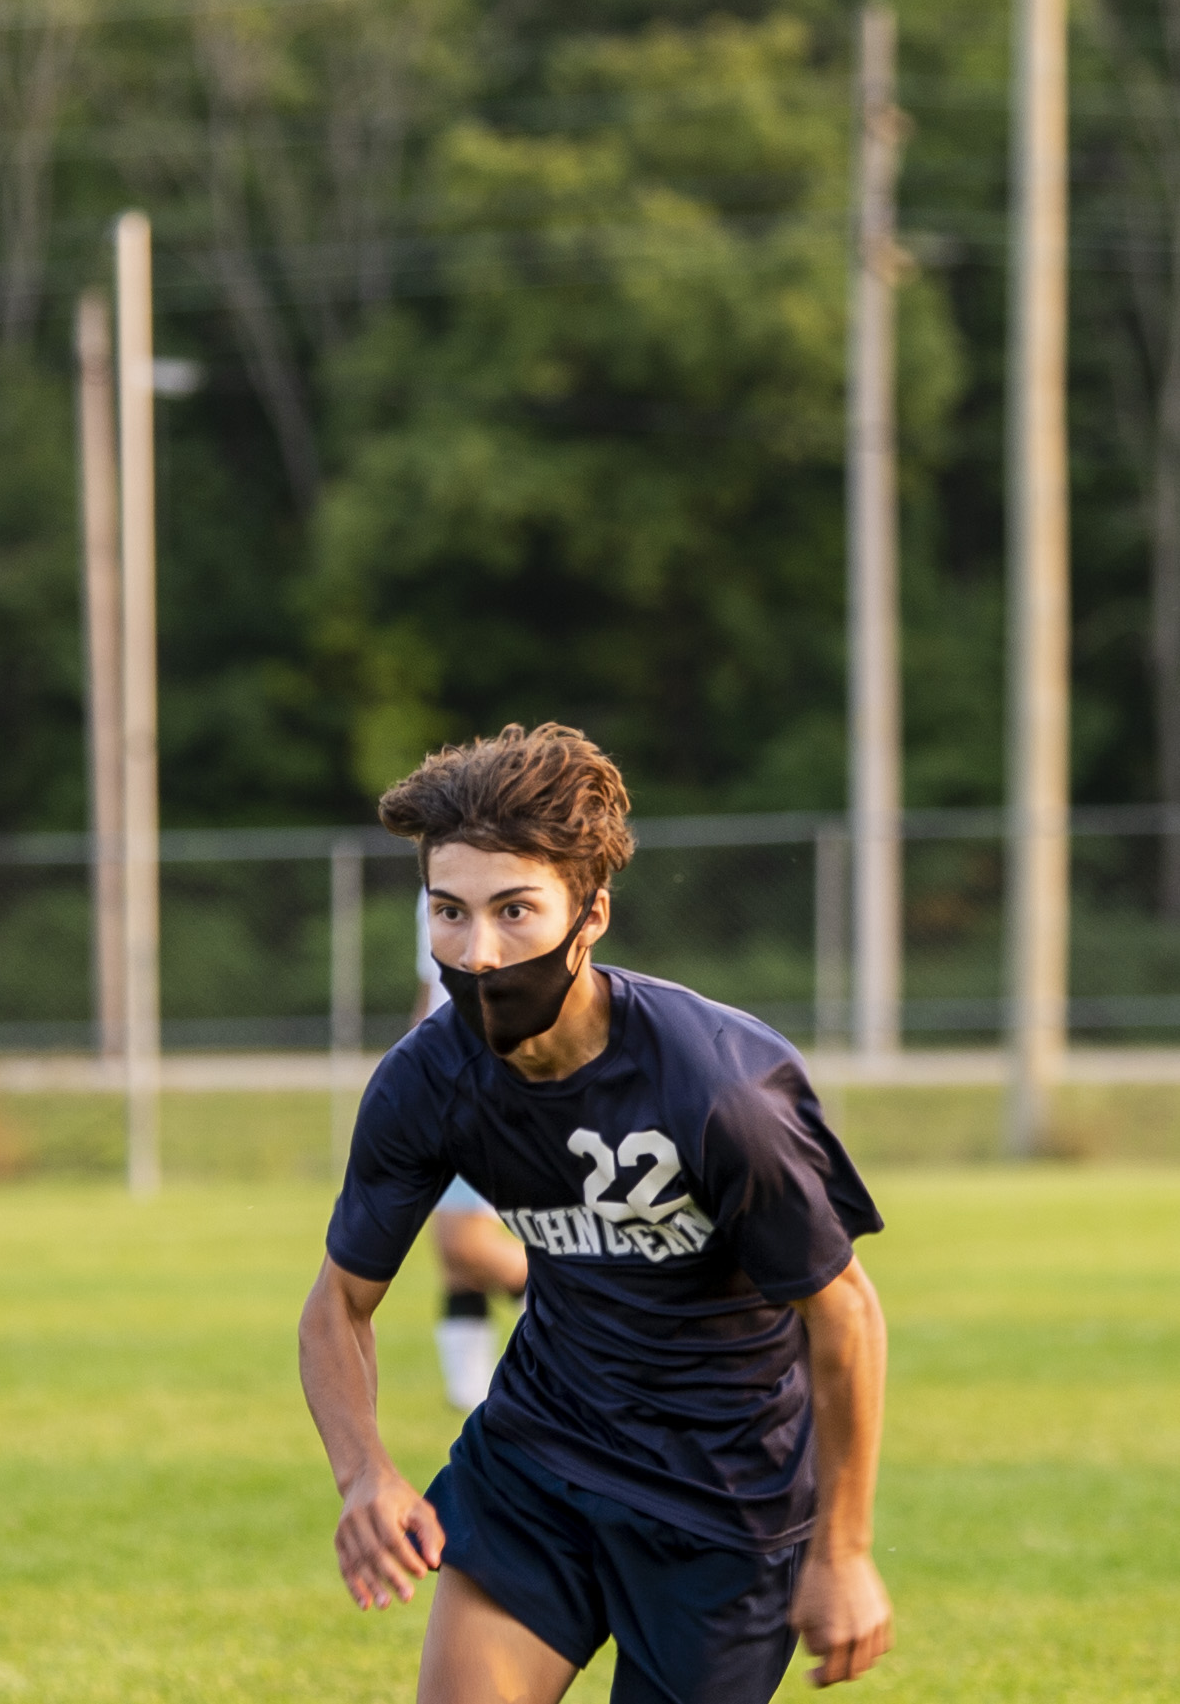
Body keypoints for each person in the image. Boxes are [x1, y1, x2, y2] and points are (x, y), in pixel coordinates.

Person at [300, 724, 892, 1700]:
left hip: (723, 1507)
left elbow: (846, 1315)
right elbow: (337, 1306)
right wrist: (363, 1471)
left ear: (593, 914)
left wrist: (846, 1550)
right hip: (536, 1468)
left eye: (516, 912)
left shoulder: (719, 1090)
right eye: (448, 913)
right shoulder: (425, 1082)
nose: (479, 954)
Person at [412, 889, 529, 1411]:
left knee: (463, 1244)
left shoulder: (492, 880)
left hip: (485, 1078)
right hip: (448, 1078)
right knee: (456, 1260)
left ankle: (594, 1316)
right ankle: (472, 1398)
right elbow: (430, 991)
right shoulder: (437, 889)